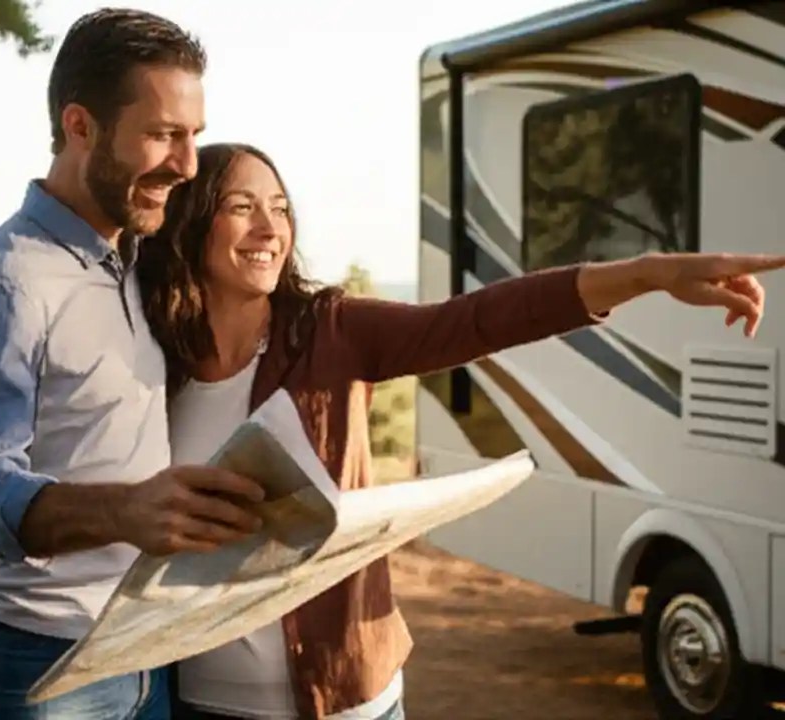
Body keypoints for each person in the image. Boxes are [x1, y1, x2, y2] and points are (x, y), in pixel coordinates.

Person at [135, 142, 785, 720]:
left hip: (344, 699)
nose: (269, 227)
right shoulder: (152, 359)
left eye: (279, 207)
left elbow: (477, 319)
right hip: (201, 696)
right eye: (242, 206)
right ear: (193, 224)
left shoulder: (330, 332)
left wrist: (650, 273)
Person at [0, 10, 271, 720]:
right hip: (39, 663)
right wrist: (126, 509)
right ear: (80, 126)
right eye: (161, 135)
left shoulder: (137, 259)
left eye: (193, 137)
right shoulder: (10, 283)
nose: (186, 165)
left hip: (146, 644)